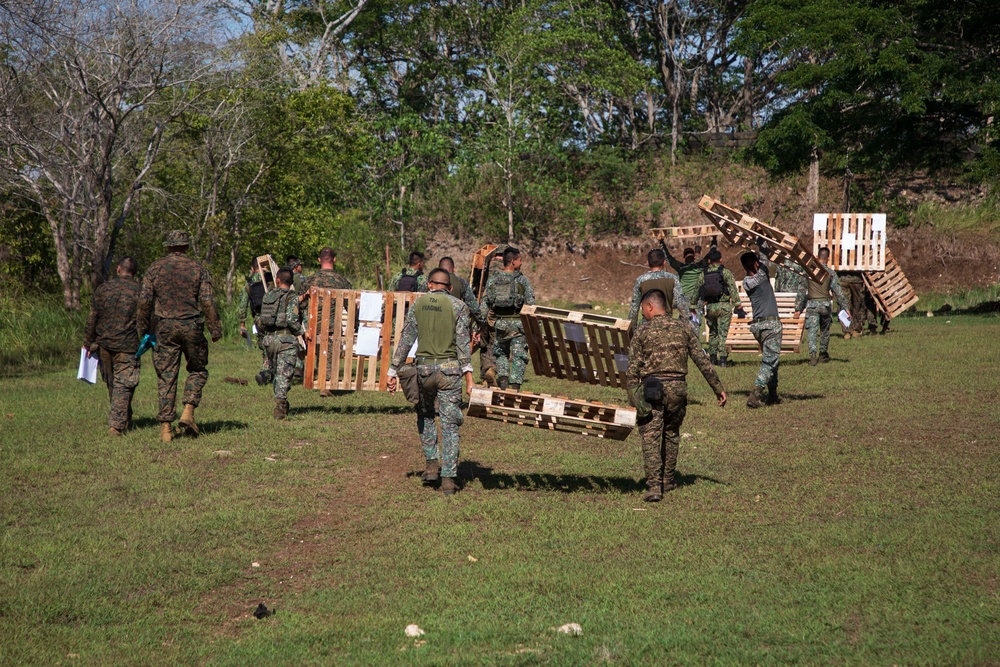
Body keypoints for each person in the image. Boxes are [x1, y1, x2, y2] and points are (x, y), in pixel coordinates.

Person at [627, 289, 727, 502]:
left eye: (644, 309)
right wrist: (717, 388)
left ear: (651, 307)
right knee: (671, 432)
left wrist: (633, 395)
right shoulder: (684, 327)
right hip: (679, 389)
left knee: (651, 436)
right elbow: (701, 359)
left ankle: (654, 486)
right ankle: (668, 480)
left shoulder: (643, 331)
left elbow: (633, 368)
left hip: (653, 389)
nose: (643, 313)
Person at [386, 268, 475, 495]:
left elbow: (406, 340)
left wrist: (392, 370)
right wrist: (469, 378)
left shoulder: (418, 305)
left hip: (424, 370)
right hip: (450, 372)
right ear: (450, 287)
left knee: (425, 414)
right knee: (449, 423)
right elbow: (464, 346)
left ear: (429, 284)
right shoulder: (459, 307)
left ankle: (432, 465)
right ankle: (448, 479)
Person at [137, 230, 222, 442]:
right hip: (192, 325)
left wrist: (143, 329)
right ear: (186, 246)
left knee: (166, 376)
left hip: (165, 327)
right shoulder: (198, 269)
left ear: (168, 246)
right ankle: (188, 411)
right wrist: (215, 329)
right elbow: (208, 302)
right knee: (198, 370)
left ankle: (166, 428)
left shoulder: (154, 269)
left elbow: (144, 302)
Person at [83, 256, 141, 436]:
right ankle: (116, 425)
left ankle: (123, 418)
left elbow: (92, 318)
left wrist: (87, 342)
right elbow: (147, 319)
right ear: (135, 272)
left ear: (118, 269)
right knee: (124, 384)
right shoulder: (140, 290)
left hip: (103, 345)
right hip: (127, 344)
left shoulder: (103, 289)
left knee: (113, 384)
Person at [299, 247, 353, 397]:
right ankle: (326, 383)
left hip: (313, 325)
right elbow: (351, 306)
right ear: (334, 259)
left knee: (317, 352)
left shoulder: (310, 280)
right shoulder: (342, 281)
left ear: (319, 260)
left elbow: (301, 304)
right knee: (331, 353)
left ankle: (317, 380)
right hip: (333, 326)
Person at [483, 246, 535, 391]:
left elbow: (485, 303)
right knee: (519, 355)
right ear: (513, 261)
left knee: (501, 353)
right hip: (519, 325)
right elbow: (530, 303)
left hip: (501, 324)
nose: (521, 263)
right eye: (520, 260)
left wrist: (479, 325)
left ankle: (504, 380)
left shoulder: (494, 279)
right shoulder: (522, 280)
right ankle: (515, 386)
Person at [256, 268, 305, 420]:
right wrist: (301, 333)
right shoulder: (292, 297)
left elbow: (261, 320)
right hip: (286, 340)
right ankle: (280, 405)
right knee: (284, 374)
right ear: (291, 283)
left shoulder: (268, 295)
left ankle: (281, 401)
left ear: (277, 280)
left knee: (277, 372)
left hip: (269, 340)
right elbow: (291, 319)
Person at [741, 247, 782, 408]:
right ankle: (756, 394)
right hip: (771, 325)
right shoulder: (761, 276)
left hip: (758, 325)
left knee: (772, 358)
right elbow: (765, 260)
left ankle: (773, 394)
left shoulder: (746, 282)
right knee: (769, 360)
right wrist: (762, 240)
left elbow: (763, 262)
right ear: (756, 264)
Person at [794, 247, 849, 366]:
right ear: (828, 258)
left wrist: (798, 309)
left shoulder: (808, 271)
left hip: (812, 305)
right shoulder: (831, 273)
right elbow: (838, 292)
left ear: (817, 257)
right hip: (825, 305)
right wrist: (845, 307)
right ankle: (823, 354)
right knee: (824, 330)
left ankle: (812, 355)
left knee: (812, 331)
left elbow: (801, 292)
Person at [695, 248, 743, 367]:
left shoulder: (703, 274)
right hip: (724, 307)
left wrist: (692, 304)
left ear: (709, 260)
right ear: (721, 260)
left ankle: (712, 358)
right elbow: (732, 288)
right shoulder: (725, 272)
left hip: (710, 307)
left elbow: (697, 290)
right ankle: (722, 360)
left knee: (712, 333)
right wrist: (738, 305)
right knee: (722, 334)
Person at [627, 247, 691, 323]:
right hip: (666, 325)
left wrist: (633, 331)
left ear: (647, 263)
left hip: (646, 326)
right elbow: (681, 304)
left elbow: (634, 309)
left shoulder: (641, 280)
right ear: (664, 262)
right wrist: (684, 322)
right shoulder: (673, 279)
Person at [238, 258, 272, 387]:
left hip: (258, 318)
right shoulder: (272, 278)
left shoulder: (249, 283)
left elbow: (243, 305)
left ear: (252, 268)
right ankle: (266, 373)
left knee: (264, 346)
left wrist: (242, 324)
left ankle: (266, 372)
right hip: (273, 316)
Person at [666, 241, 714, 320]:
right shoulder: (699, 266)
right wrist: (714, 241)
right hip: (697, 300)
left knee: (684, 325)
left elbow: (669, 259)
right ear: (694, 257)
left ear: (684, 258)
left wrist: (662, 243)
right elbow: (711, 254)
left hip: (684, 300)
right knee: (696, 324)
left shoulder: (681, 268)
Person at [837, 271, 867, 338]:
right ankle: (856, 330)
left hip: (843, 278)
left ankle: (847, 330)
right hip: (856, 279)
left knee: (844, 304)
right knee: (857, 305)